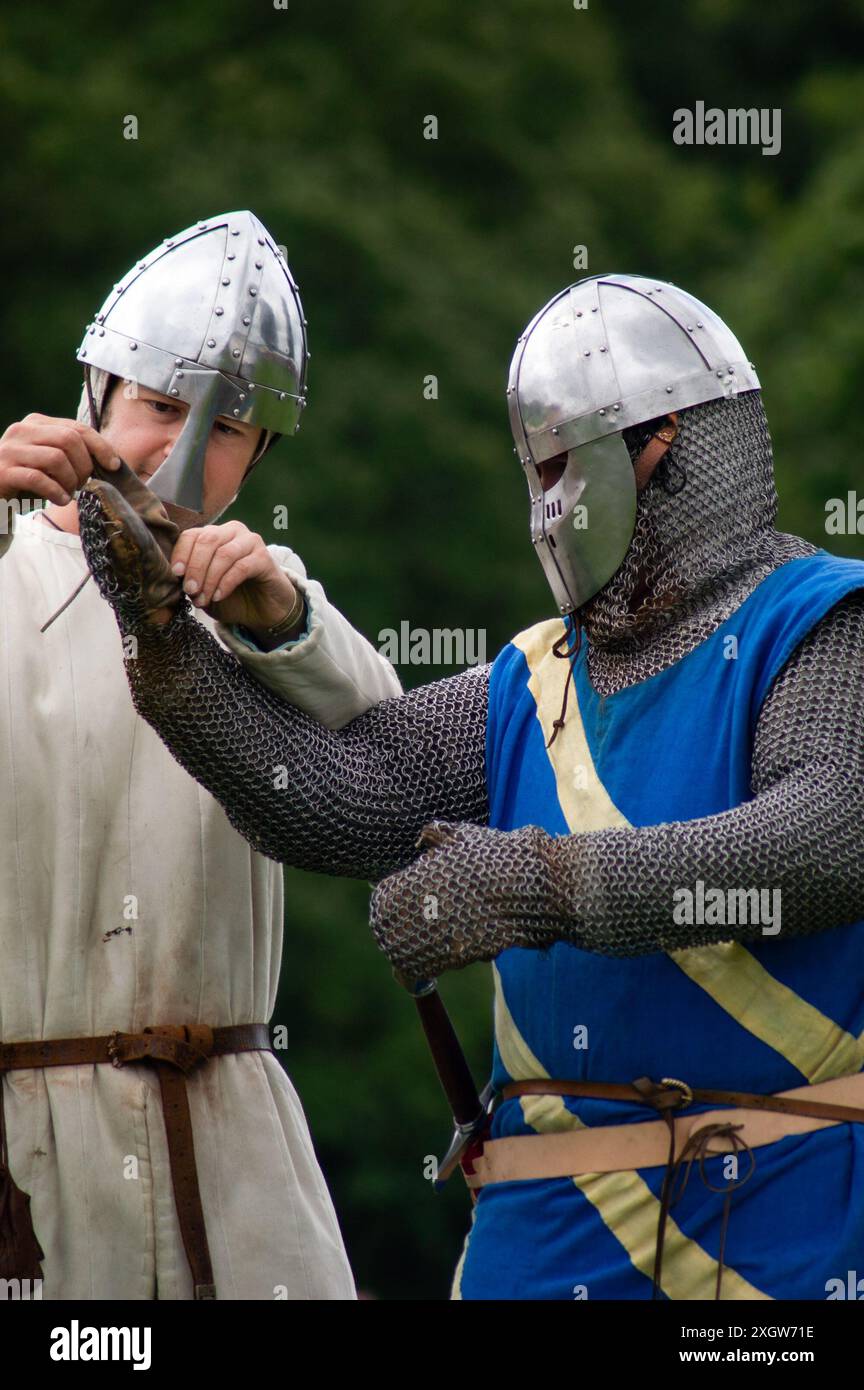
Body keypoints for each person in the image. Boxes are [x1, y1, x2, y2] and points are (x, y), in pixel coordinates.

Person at [77, 273, 864, 1301]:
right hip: (539, 1235)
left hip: (770, 1217)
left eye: (557, 470)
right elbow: (333, 793)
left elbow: (821, 844)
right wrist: (166, 643)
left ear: (662, 440)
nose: (543, 510)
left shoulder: (820, 623)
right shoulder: (531, 677)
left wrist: (542, 882)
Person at [0, 211, 401, 1301]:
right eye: (164, 406)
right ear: (100, 393)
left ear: (259, 451)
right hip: (25, 1162)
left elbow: (411, 772)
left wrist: (281, 620)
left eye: (225, 425)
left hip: (237, 1159)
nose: (182, 451)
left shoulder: (267, 603)